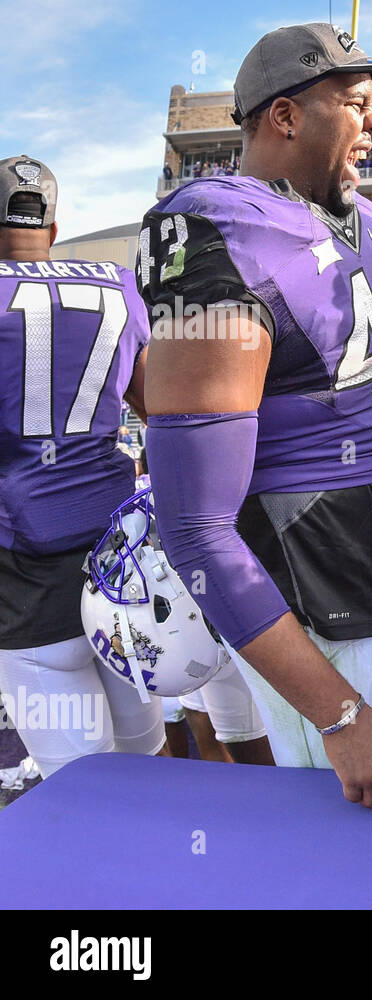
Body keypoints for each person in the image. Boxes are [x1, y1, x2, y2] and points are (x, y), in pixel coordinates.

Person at [137, 23, 372, 807]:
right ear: (284, 117)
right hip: (321, 599)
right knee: (356, 859)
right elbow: (195, 526)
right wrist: (338, 715)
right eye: (355, 103)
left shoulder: (367, 219)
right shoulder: (220, 231)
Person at [0, 156, 166, 777]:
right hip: (117, 560)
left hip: (26, 577)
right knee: (146, 765)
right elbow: (159, 411)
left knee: (81, 792)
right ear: (54, 223)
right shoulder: (115, 281)